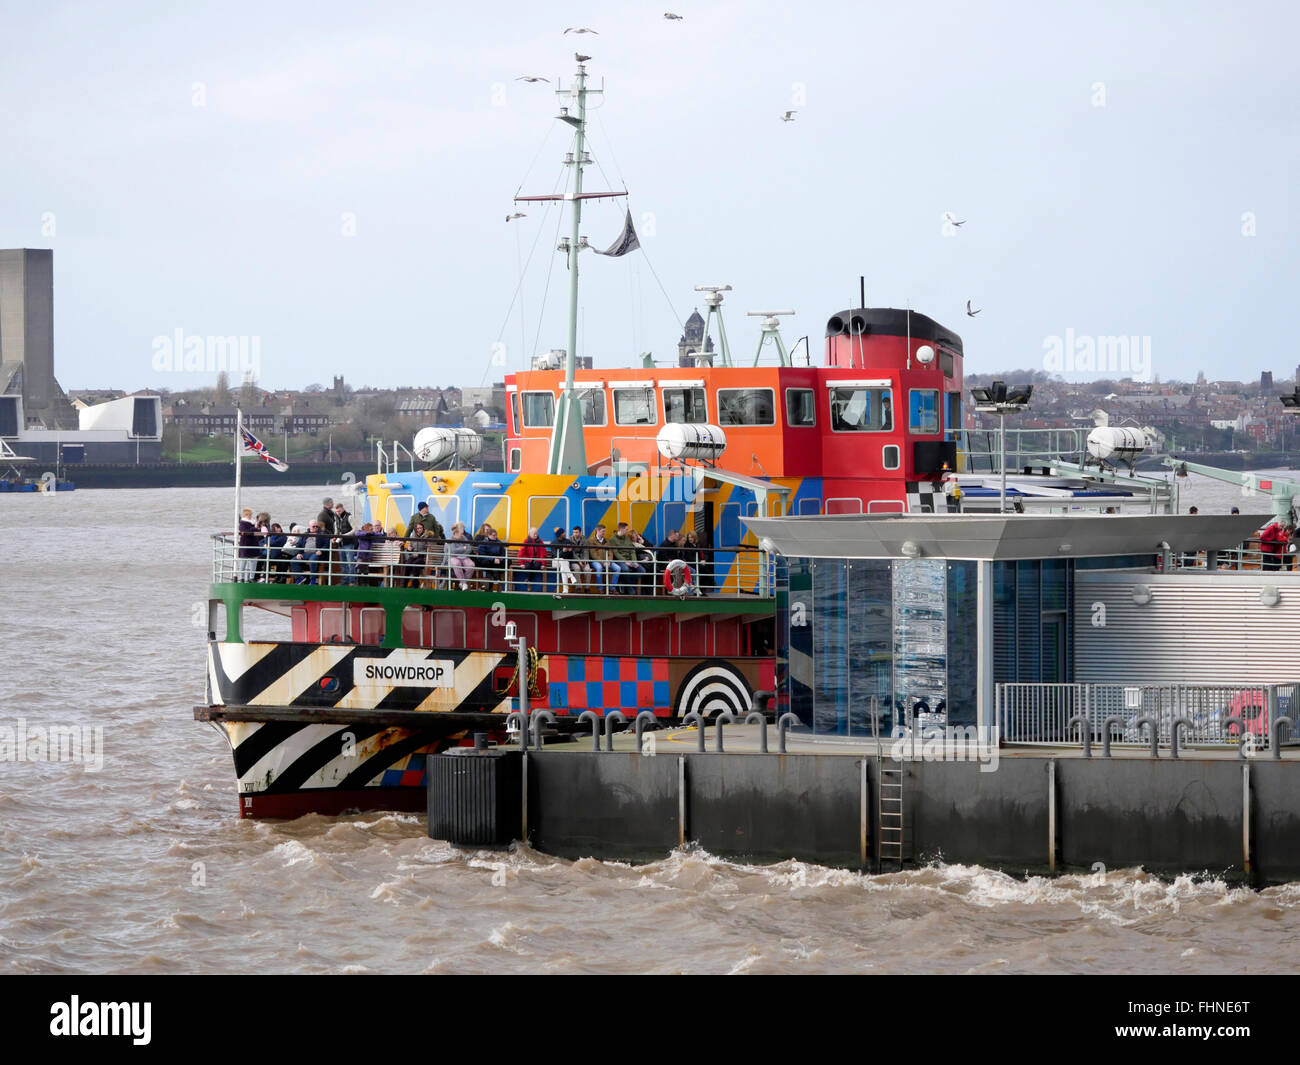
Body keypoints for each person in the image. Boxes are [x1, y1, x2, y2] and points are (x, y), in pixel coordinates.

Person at [609, 522, 642, 594]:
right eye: (626, 529)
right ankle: (630, 587)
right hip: (619, 560)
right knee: (626, 569)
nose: (627, 531)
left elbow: (632, 551)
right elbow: (616, 553)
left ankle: (626, 584)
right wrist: (625, 561)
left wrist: (634, 561)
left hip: (630, 560)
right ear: (621, 529)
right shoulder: (612, 539)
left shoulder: (627, 538)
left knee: (642, 570)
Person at [585, 523, 615, 592]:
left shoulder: (607, 541)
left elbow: (610, 552)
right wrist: (603, 562)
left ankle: (612, 588)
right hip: (596, 561)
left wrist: (609, 561)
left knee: (617, 568)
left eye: (604, 531)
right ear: (597, 531)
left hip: (607, 561)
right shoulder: (591, 540)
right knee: (599, 568)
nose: (604, 533)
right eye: (603, 531)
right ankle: (600, 589)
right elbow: (593, 554)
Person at [516, 527, 548, 591]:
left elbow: (543, 552)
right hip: (528, 559)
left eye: (536, 533)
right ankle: (529, 582)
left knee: (537, 566)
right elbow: (522, 552)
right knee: (527, 566)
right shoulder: (526, 541)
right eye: (534, 534)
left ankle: (528, 580)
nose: (536, 535)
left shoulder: (540, 541)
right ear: (530, 534)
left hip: (537, 559)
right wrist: (521, 563)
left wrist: (543, 564)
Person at [333, 502, 356, 585]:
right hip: (340, 544)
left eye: (339, 511)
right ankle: (344, 581)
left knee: (350, 563)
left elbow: (355, 529)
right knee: (343, 564)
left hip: (349, 543)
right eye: (337, 511)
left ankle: (352, 581)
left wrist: (344, 535)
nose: (338, 513)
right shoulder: (336, 519)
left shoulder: (349, 517)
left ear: (343, 509)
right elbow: (336, 530)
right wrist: (334, 537)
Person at [447, 522, 476, 589]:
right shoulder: (450, 539)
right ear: (456, 532)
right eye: (461, 533)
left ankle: (462, 583)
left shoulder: (464, 538)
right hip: (453, 558)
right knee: (456, 563)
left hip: (464, 557)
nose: (462, 534)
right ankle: (464, 583)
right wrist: (463, 548)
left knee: (471, 565)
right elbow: (453, 551)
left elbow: (469, 549)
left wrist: (462, 551)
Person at [551, 526, 578, 594]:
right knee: (562, 560)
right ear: (560, 534)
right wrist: (563, 551)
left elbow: (571, 553)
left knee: (563, 569)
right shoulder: (553, 543)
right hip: (555, 562)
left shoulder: (567, 541)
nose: (565, 533)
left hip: (565, 562)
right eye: (563, 533)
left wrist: (570, 550)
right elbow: (555, 555)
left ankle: (565, 590)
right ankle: (571, 577)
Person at [236, 508, 259, 582]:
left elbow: (257, 530)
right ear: (245, 515)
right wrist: (254, 528)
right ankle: (241, 578)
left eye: (250, 514)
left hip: (253, 544)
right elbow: (246, 532)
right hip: (246, 544)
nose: (250, 516)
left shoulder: (253, 523)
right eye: (248, 514)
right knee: (243, 562)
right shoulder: (242, 523)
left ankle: (251, 577)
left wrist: (255, 528)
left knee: (254, 561)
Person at [569, 525, 592, 590]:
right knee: (577, 569)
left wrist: (585, 560)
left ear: (580, 533)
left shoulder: (584, 540)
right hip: (574, 560)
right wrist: (579, 561)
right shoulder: (570, 540)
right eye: (574, 532)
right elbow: (572, 553)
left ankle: (587, 588)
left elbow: (586, 551)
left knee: (588, 570)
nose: (575, 534)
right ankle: (578, 587)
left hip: (583, 558)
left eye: (576, 532)